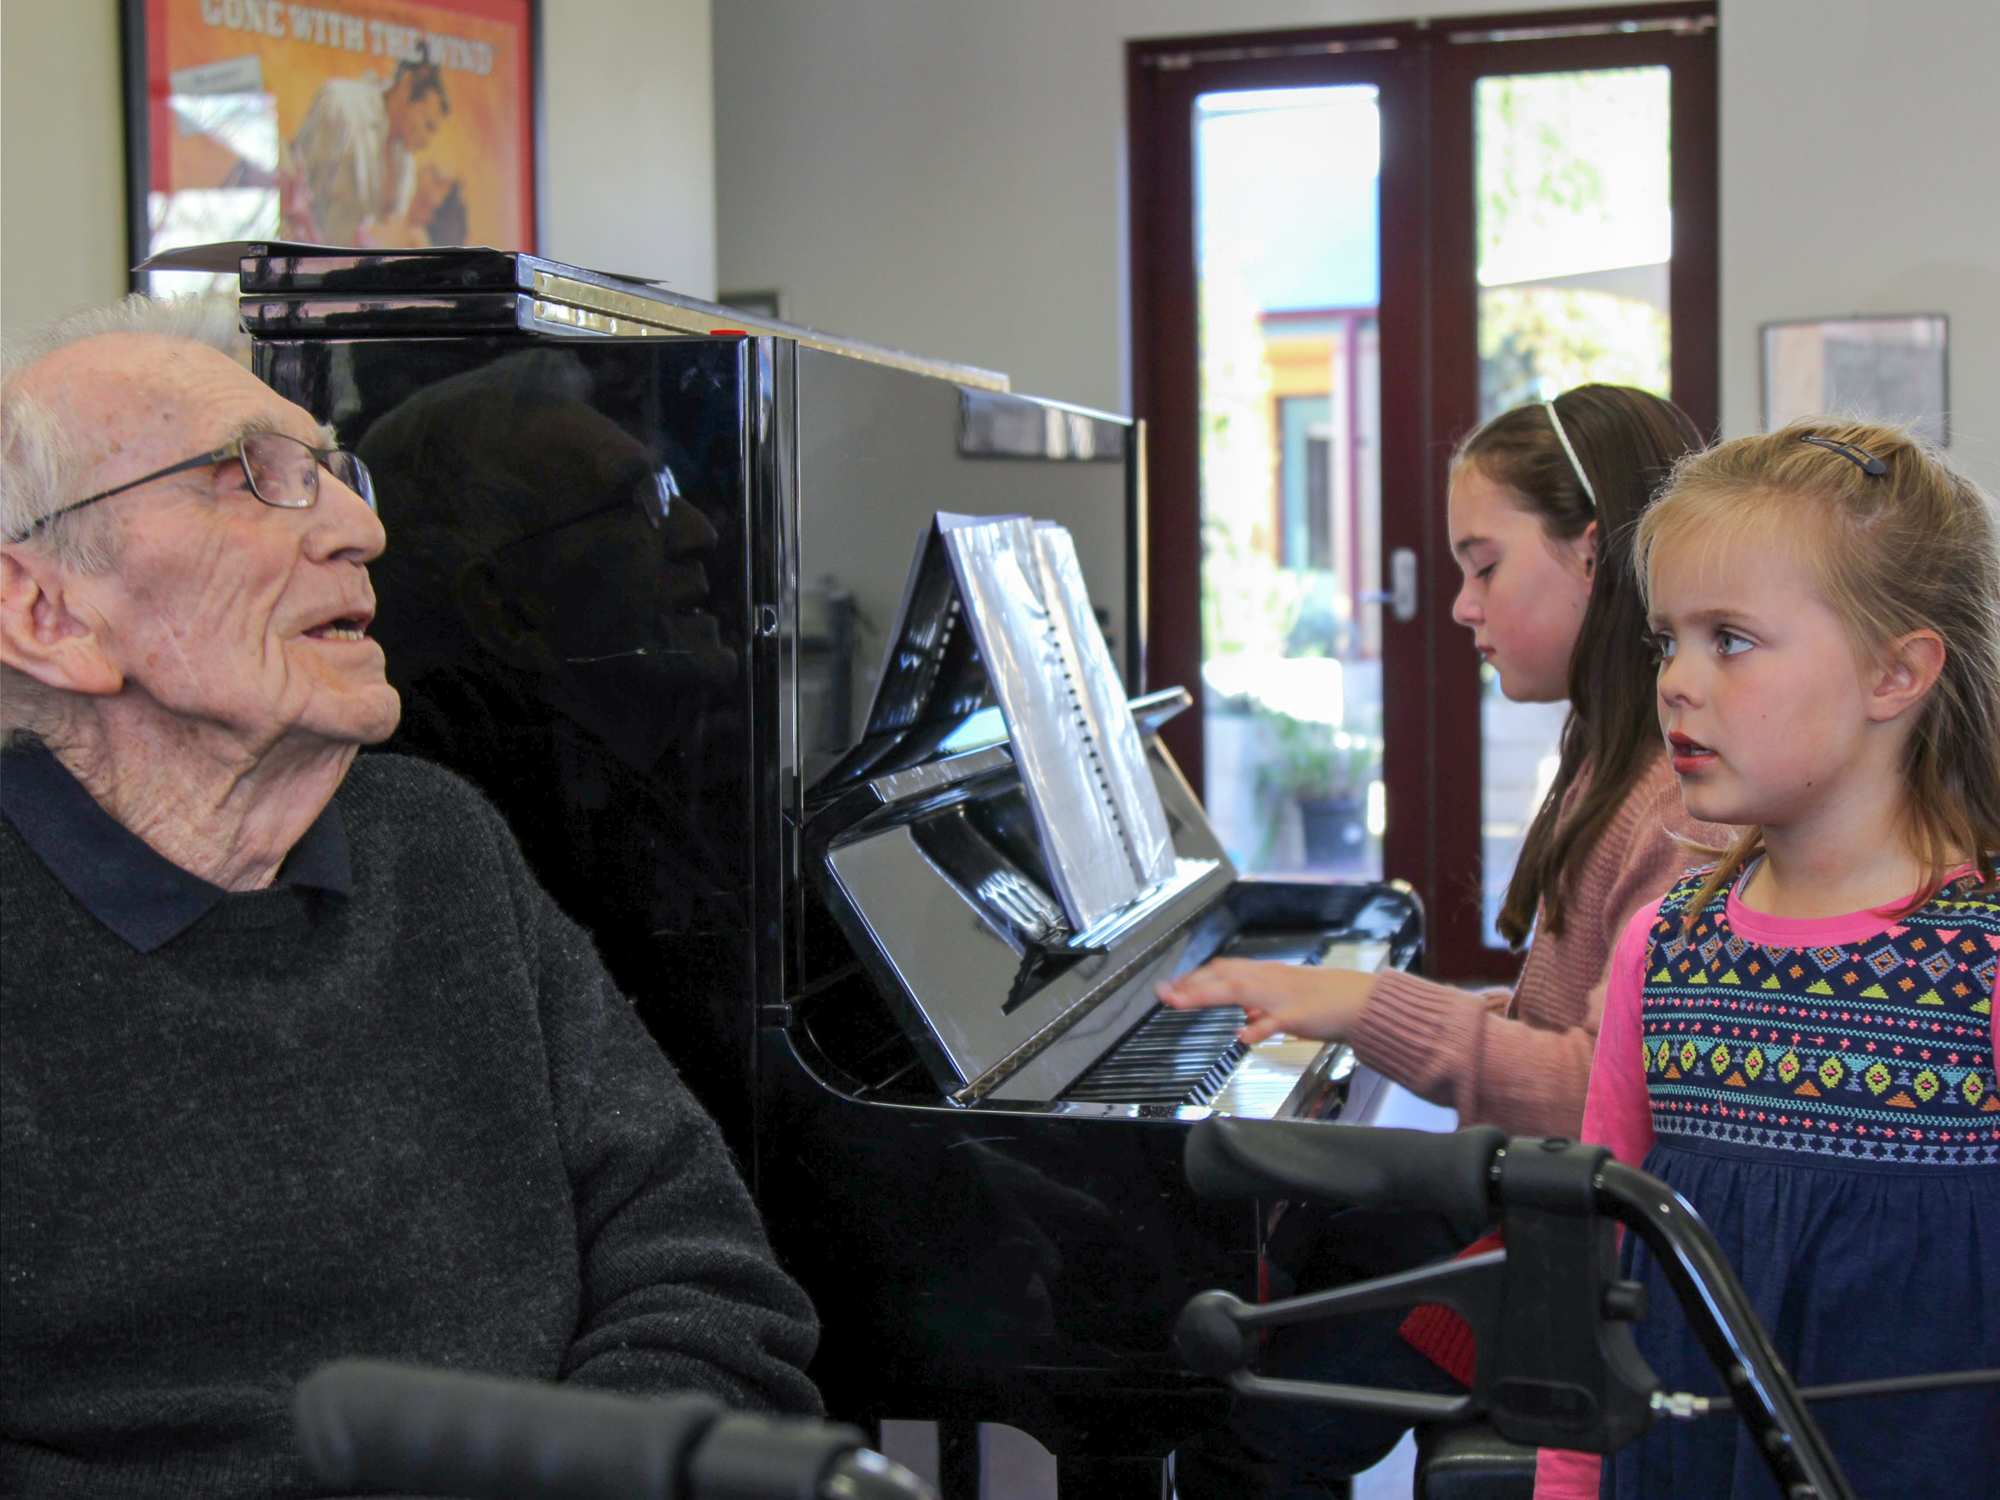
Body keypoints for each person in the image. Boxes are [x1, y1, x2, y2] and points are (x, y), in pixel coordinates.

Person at [0, 296, 821, 1498]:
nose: (358, 531)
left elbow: (706, 1272)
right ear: (46, 613)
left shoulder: (435, 844)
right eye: (247, 477)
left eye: (339, 476)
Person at [1162, 386, 1728, 1495]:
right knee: (1310, 1247)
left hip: (1577, 1259)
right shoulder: (1607, 759)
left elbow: (1595, 1090)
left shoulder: (1678, 803)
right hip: (1534, 1214)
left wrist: (1357, 1007)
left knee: (1255, 1424)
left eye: (1483, 565)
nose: (1459, 607)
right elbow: (1562, 1026)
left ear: (1591, 553)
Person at [1535, 422, 2000, 1500]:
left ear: (1895, 671)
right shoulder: (1666, 949)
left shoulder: (1979, 969)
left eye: (1729, 639)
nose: (1677, 683)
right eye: (1666, 642)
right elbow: (1593, 1272)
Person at [282, 47, 459, 246]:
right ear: (406, 87)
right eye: (427, 124)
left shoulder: (405, 164)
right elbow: (296, 190)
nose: (426, 141)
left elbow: (384, 233)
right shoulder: (342, 104)